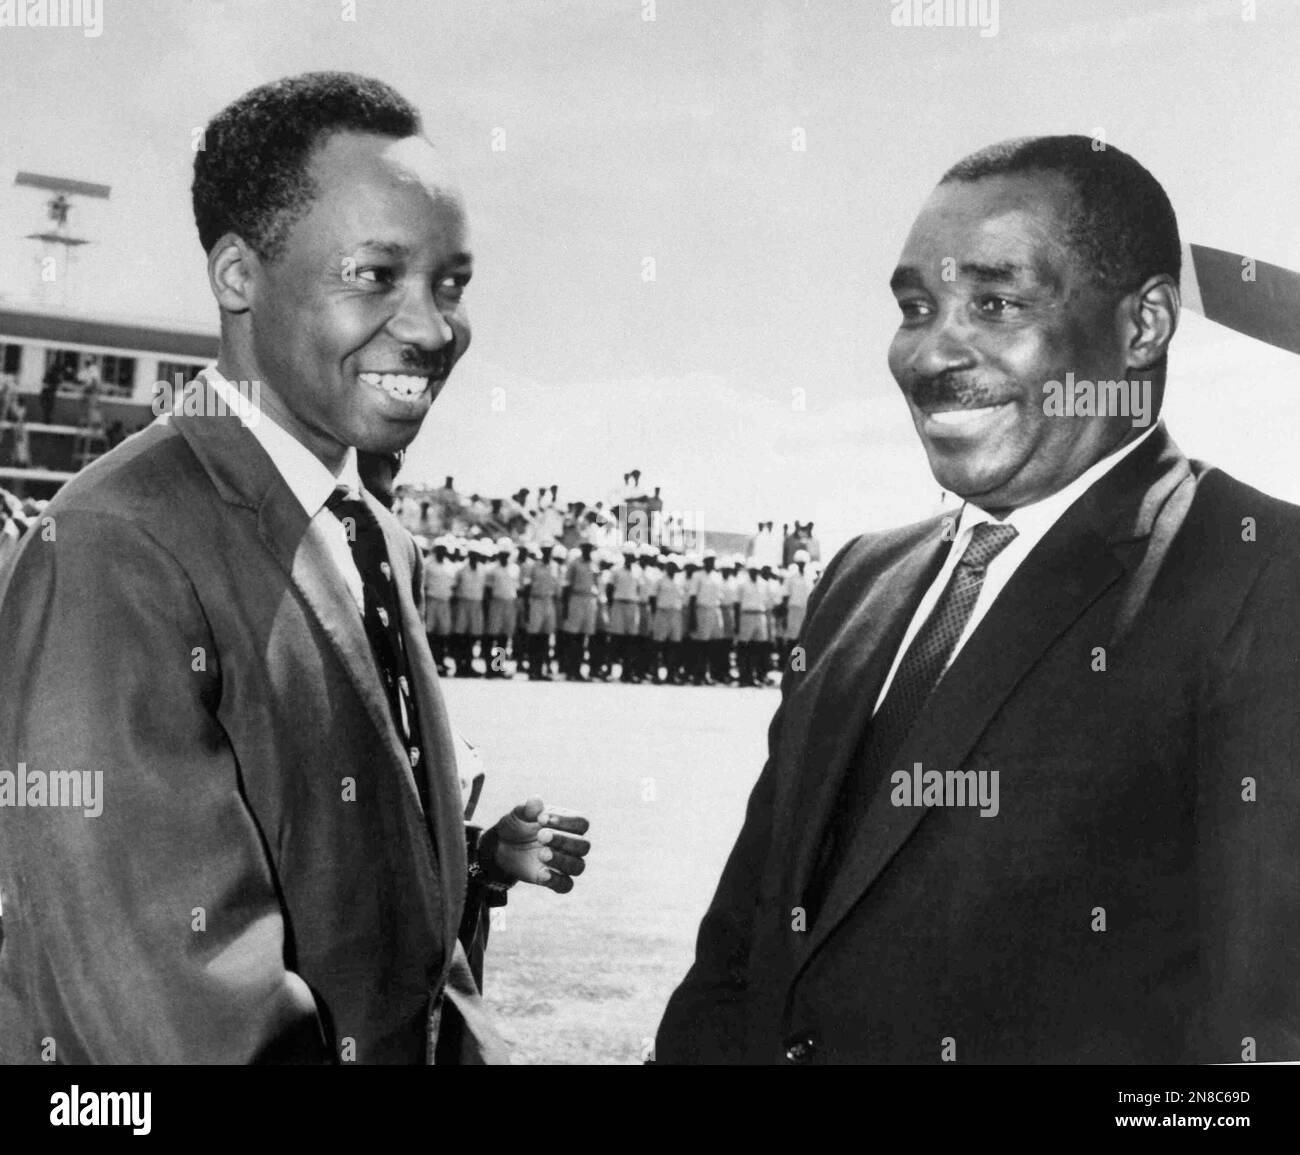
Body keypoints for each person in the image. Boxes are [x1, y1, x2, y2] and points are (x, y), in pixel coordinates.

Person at [657, 135, 1300, 1064]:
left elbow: (1259, 1052)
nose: (930, 352)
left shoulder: (1262, 577)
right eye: (916, 306)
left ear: (1145, 324)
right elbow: (743, 950)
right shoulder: (859, 584)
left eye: (995, 303)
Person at [0, 72, 591, 1065]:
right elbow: (177, 1013)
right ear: (238, 277)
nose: (433, 328)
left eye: (450, 284)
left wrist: (474, 871)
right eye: (372, 275)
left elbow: (395, 928)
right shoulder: (115, 539)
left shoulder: (371, 535)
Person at [559, 539, 599, 681]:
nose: (588, 550)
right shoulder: (575, 563)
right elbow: (567, 585)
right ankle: (571, 670)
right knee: (573, 637)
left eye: (590, 548)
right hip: (576, 599)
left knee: (584, 637)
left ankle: (578, 670)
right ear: (582, 548)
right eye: (585, 548)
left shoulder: (594, 564)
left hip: (589, 600)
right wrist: (565, 606)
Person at [483, 538, 519, 678]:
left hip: (509, 603)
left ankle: (498, 666)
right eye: (502, 553)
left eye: (506, 554)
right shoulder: (491, 569)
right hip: (495, 603)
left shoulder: (514, 568)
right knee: (491, 636)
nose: (504, 556)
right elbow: (487, 591)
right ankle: (489, 668)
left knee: (503, 637)